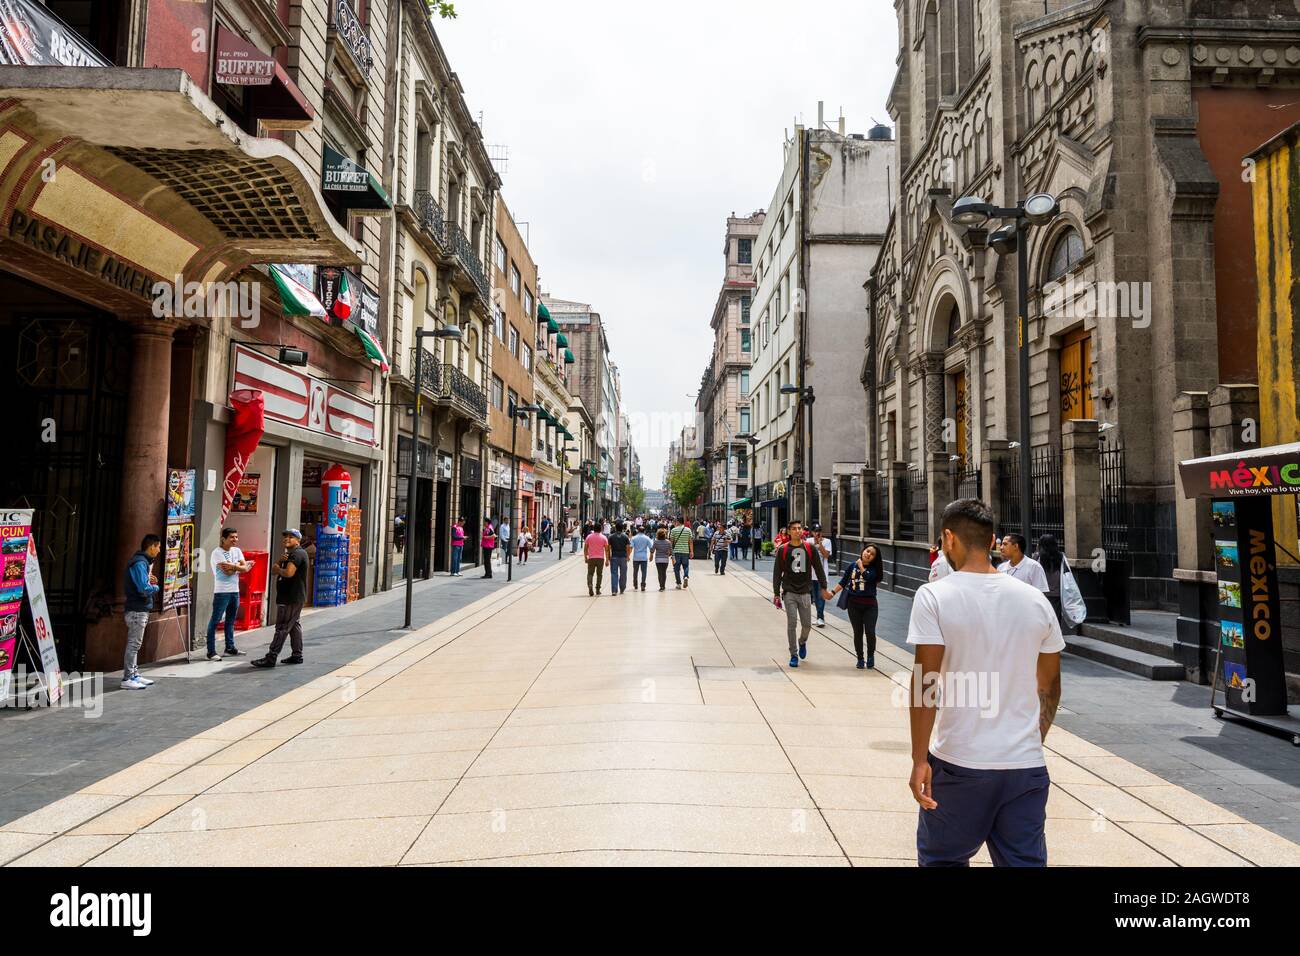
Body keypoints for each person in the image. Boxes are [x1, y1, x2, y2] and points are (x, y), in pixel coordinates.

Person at [907, 499, 1064, 868]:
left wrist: (918, 759)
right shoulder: (1036, 602)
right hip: (1025, 767)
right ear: (993, 540)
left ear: (948, 538)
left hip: (961, 762)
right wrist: (1031, 738)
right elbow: (1051, 686)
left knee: (941, 860)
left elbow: (925, 685)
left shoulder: (934, 596)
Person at [772, 520, 832, 668]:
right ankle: (793, 654)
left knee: (806, 625)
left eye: (799, 528)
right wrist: (776, 593)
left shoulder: (809, 547)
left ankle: (802, 641)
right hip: (789, 592)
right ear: (789, 531)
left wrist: (824, 587)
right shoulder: (783, 549)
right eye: (794, 529)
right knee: (791, 624)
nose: (798, 531)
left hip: (805, 592)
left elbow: (819, 569)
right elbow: (777, 573)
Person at [251, 529, 309, 668]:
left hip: (290, 598)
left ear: (298, 540)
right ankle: (297, 655)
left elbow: (288, 573)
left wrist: (278, 569)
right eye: (285, 537)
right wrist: (278, 564)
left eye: (291, 537)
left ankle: (271, 657)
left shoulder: (296, 554)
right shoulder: (289, 554)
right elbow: (273, 570)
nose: (286, 539)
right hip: (291, 597)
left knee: (282, 627)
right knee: (294, 626)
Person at [828, 545, 883, 668]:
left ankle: (870, 656)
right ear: (863, 551)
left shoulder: (874, 569)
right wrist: (832, 593)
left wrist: (861, 566)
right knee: (857, 632)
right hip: (854, 604)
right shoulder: (852, 566)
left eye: (872, 554)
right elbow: (843, 582)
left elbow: (868, 578)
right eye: (867, 551)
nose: (868, 554)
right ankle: (860, 658)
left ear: (874, 558)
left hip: (870, 606)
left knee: (870, 632)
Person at [120, 534, 161, 689]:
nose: (158, 550)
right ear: (151, 547)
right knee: (134, 644)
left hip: (139, 608)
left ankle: (134, 674)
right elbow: (143, 588)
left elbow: (143, 582)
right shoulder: (139, 563)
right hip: (137, 609)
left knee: (136, 644)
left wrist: (149, 581)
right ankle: (127, 678)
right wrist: (155, 587)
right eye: (157, 547)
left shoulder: (142, 563)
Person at [206, 528, 251, 661]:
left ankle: (230, 648)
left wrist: (235, 566)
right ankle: (211, 652)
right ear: (223, 539)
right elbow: (229, 572)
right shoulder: (217, 553)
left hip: (234, 591)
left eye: (236, 537)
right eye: (232, 537)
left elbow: (244, 569)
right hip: (221, 592)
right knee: (215, 621)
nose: (235, 540)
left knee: (231, 621)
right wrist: (240, 566)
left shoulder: (237, 551)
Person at [810, 525, 833, 627]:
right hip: (811, 574)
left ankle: (821, 618)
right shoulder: (808, 541)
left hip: (822, 574)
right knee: (815, 597)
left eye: (819, 531)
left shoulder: (827, 542)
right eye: (815, 531)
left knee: (821, 596)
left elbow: (826, 555)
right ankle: (819, 617)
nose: (817, 533)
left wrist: (819, 544)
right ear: (812, 532)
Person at [584, 522, 609, 596]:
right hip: (600, 558)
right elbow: (606, 550)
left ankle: (590, 585)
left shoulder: (589, 537)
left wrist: (586, 557)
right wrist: (607, 560)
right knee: (599, 574)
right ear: (601, 529)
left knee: (590, 574)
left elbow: (585, 548)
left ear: (593, 529)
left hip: (591, 558)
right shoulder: (604, 538)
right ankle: (598, 589)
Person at [669, 516, 693, 589]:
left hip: (676, 552)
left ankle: (679, 583)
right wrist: (691, 551)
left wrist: (670, 551)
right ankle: (685, 576)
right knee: (686, 566)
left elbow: (671, 542)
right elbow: (690, 542)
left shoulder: (673, 530)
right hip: (685, 551)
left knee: (676, 568)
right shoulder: (688, 530)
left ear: (678, 522)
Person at [607, 521, 631, 595]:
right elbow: (628, 548)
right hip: (623, 557)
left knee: (614, 574)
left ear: (615, 528)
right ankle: (622, 588)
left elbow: (609, 548)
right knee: (623, 573)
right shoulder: (625, 537)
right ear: (622, 528)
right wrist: (628, 556)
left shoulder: (611, 537)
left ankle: (614, 590)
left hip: (614, 557)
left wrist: (608, 557)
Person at [631, 525, 653, 592]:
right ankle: (643, 585)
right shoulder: (647, 538)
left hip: (636, 557)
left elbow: (631, 547)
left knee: (635, 571)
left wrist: (628, 556)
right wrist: (651, 555)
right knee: (644, 572)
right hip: (644, 558)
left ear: (638, 531)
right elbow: (651, 548)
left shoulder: (634, 538)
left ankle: (635, 584)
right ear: (644, 531)